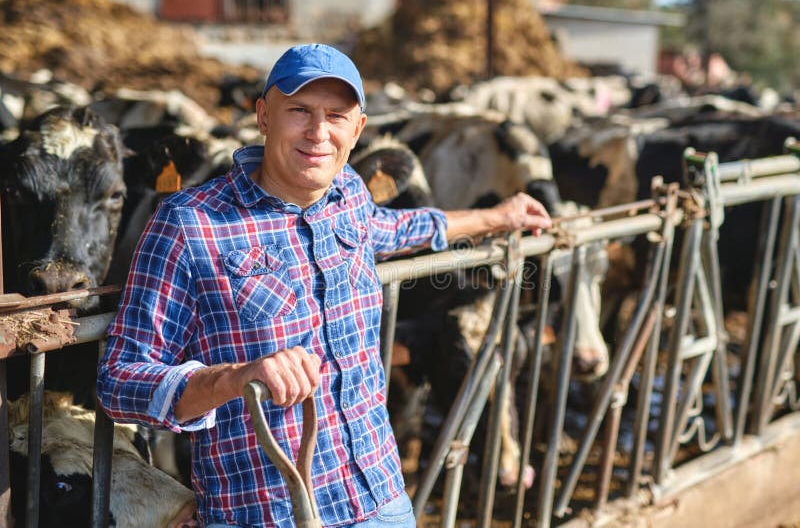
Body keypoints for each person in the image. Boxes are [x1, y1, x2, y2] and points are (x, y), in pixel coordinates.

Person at [97, 43, 552, 528]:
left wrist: (493, 217)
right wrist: (235, 378)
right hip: (270, 513)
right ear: (263, 115)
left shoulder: (350, 193)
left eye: (337, 115)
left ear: (358, 130)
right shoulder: (189, 223)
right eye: (299, 110)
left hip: (381, 496)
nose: (318, 132)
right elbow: (119, 380)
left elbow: (394, 228)